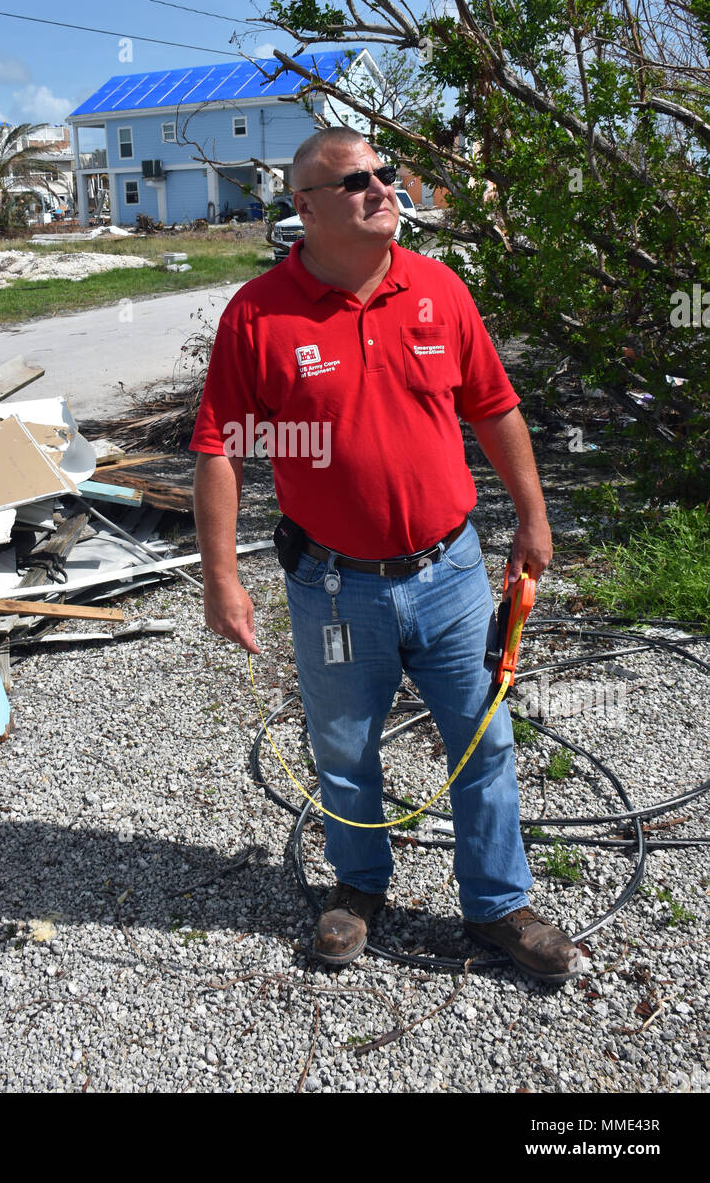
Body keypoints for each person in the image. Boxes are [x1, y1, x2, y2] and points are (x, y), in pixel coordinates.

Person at [190, 127, 582, 984]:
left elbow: (494, 405)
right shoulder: (259, 315)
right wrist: (222, 576)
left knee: (485, 740)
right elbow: (221, 447)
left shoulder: (438, 289)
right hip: (334, 587)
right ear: (306, 208)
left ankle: (498, 905)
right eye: (356, 180)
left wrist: (532, 514)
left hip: (452, 575)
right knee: (342, 743)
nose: (383, 189)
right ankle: (360, 887)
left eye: (385, 175)